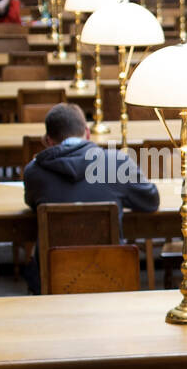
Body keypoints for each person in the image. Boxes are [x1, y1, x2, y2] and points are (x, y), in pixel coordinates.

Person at [22, 103, 159, 294]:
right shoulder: (116, 163)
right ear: (87, 133)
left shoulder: (34, 172)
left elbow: (31, 202)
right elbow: (151, 201)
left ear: (48, 140)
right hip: (109, 272)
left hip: (55, 274)